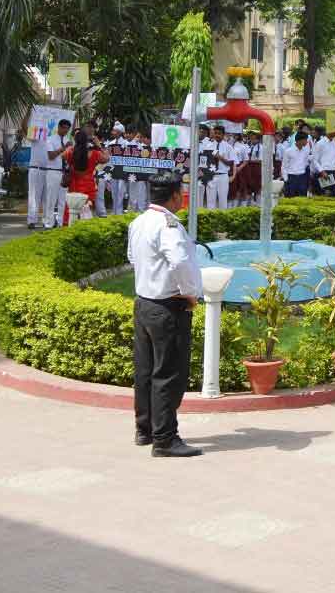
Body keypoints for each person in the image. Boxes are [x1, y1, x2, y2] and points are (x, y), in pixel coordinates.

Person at [126, 172, 202, 458]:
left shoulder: (138, 222)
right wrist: (190, 292)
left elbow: (132, 258)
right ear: (173, 196)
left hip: (144, 303)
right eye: (180, 192)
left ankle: (145, 429)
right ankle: (166, 439)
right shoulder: (168, 225)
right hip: (167, 306)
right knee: (169, 373)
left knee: (145, 371)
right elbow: (181, 261)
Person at [61, 129, 106, 221]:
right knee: (86, 210)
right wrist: (99, 146)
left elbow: (62, 156)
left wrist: (72, 147)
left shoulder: (70, 152)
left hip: (74, 186)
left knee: (72, 210)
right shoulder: (94, 153)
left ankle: (69, 226)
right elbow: (106, 158)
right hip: (89, 187)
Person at [281, 132, 311, 197]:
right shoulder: (288, 151)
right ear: (300, 140)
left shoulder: (305, 151)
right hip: (292, 178)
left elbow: (306, 163)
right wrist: (286, 180)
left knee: (302, 198)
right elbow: (284, 167)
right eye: (306, 140)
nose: (307, 142)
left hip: (302, 178)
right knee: (290, 198)